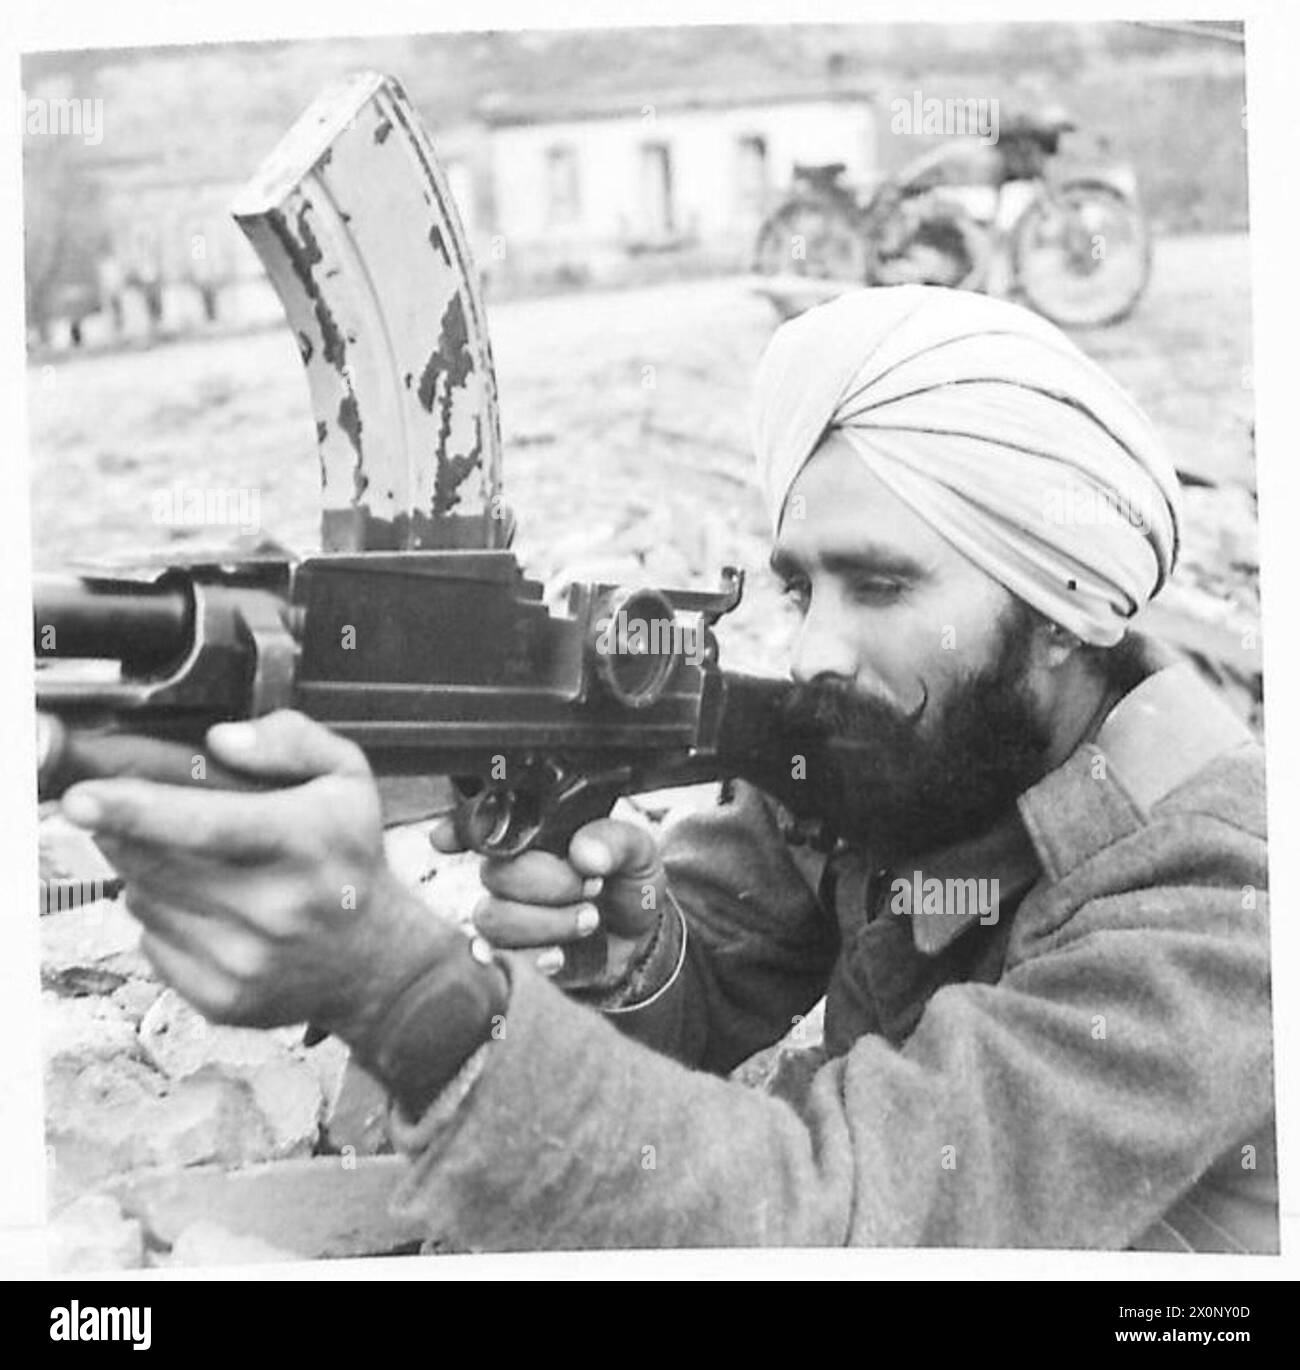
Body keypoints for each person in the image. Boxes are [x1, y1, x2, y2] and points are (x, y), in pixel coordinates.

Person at [60, 285, 1274, 1251]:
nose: (812, 649)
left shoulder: (1218, 907)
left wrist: (406, 990)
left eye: (882, 584)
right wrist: (636, 955)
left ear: (1062, 612)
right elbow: (702, 1005)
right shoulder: (904, 737)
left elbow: (846, 1220)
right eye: (798, 585)